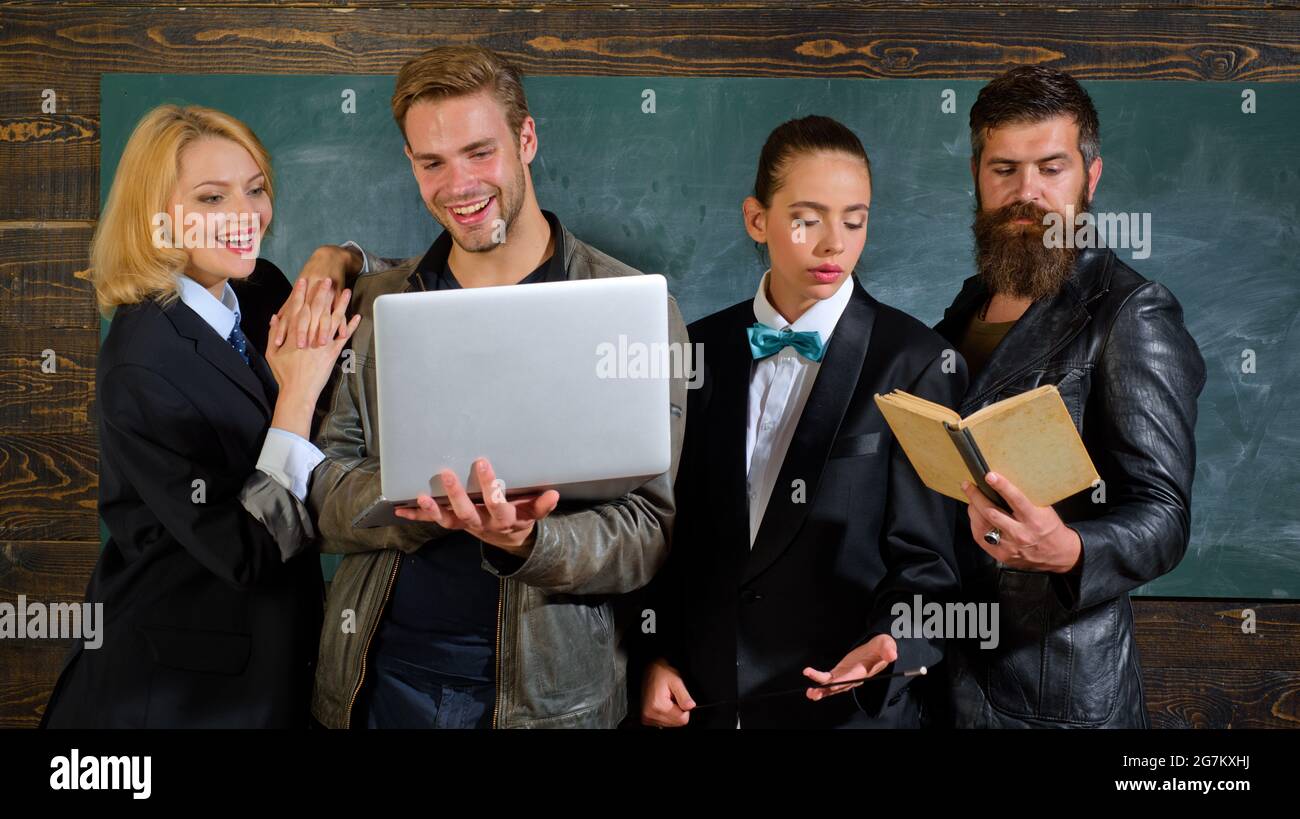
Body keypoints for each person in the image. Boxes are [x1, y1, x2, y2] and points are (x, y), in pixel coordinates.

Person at [302, 45, 689, 729]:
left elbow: (645, 532)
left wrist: (528, 541)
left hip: (549, 705)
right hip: (377, 684)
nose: (459, 184)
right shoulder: (378, 301)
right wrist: (416, 504)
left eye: (480, 153)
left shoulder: (630, 306)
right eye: (433, 162)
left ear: (527, 139)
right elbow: (324, 490)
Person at [639, 116, 967, 729]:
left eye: (854, 219)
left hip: (841, 710)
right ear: (756, 219)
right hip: (699, 708)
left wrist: (896, 643)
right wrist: (652, 655)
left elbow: (930, 564)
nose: (833, 244)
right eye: (808, 218)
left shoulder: (919, 362)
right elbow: (663, 533)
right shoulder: (692, 349)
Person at [41, 104, 358, 728]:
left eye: (256, 189)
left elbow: (357, 293)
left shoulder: (259, 286)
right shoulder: (140, 362)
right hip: (176, 687)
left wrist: (335, 257)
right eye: (212, 198)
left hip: (276, 660)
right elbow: (249, 553)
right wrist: (295, 399)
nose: (246, 216)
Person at [935, 66, 1206, 728]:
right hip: (944, 683)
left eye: (1050, 168)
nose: (1026, 192)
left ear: (1090, 176)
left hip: (1056, 699)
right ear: (977, 173)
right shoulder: (966, 305)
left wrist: (1071, 550)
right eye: (1005, 169)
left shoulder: (1133, 312)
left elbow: (1164, 515)